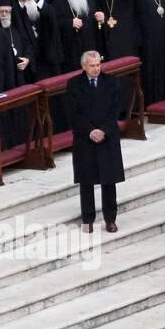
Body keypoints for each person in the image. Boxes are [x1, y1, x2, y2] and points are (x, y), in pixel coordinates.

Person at [67, 50, 123, 234]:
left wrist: (103, 130)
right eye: (92, 65)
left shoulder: (112, 82)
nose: (96, 68)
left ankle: (110, 219)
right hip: (85, 138)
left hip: (107, 137)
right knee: (87, 180)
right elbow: (74, 113)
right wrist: (90, 131)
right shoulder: (74, 84)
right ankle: (88, 220)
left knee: (109, 180)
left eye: (98, 64)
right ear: (84, 66)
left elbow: (115, 109)